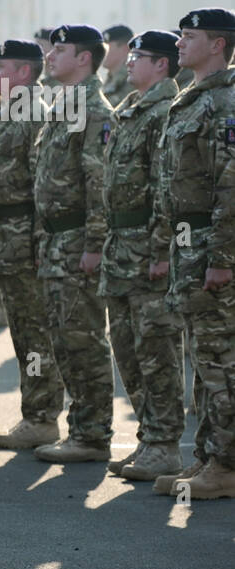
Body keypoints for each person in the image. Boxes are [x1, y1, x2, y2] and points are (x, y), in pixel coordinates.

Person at [155, 9, 235, 499]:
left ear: (219, 46)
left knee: (221, 361)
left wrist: (223, 257)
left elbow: (232, 186)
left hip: (212, 246)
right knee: (204, 362)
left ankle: (226, 466)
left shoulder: (225, 103)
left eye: (190, 37)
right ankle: (208, 456)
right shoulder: (194, 98)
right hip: (190, 244)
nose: (179, 44)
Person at [101, 30, 185, 482]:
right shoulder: (131, 109)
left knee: (156, 350)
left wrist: (159, 250)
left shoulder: (163, 113)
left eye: (141, 57)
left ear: (163, 66)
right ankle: (149, 437)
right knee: (128, 350)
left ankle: (166, 444)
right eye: (130, 55)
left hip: (146, 251)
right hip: (120, 249)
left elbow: (164, 186)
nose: (130, 62)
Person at [31, 24, 116, 464]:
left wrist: (95, 244)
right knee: (63, 339)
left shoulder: (92, 111)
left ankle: (93, 432)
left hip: (78, 239)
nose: (49, 55)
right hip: (56, 240)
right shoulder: (63, 105)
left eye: (59, 50)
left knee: (83, 338)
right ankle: (80, 428)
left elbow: (98, 183)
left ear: (84, 58)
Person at [0, 40, 67, 449]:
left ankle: (41, 418)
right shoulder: (9, 111)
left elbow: (40, 186)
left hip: (22, 241)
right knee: (22, 332)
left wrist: (37, 245)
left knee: (34, 334)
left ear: (25, 74)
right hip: (4, 238)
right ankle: (35, 414)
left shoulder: (33, 113)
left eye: (2, 68)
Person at [100, 24, 134, 108]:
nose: (100, 52)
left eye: (106, 47)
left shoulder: (133, 81)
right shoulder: (108, 81)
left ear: (125, 48)